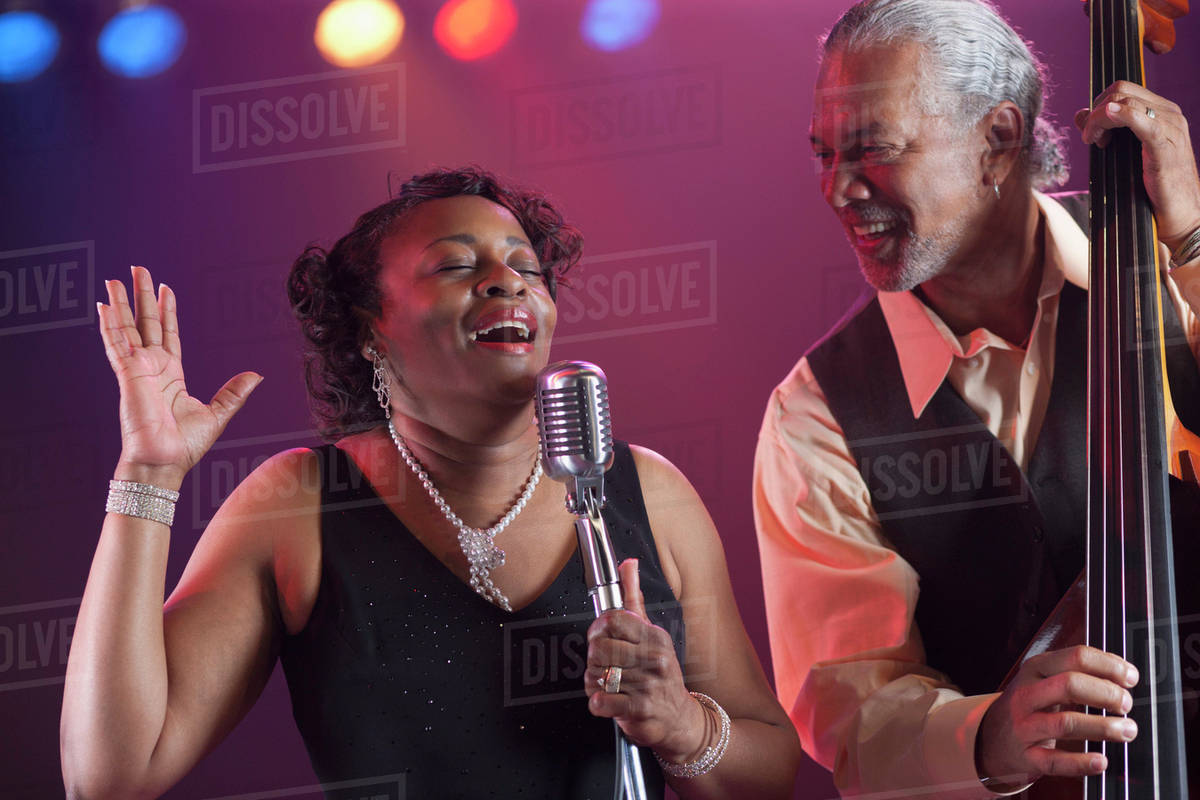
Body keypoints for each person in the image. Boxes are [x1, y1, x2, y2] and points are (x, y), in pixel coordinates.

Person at [61, 167, 801, 799]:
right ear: (370, 328)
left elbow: (770, 770)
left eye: (527, 268)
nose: (506, 281)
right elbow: (111, 774)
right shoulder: (295, 507)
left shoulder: (649, 493)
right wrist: (148, 475)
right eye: (454, 266)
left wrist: (683, 727)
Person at [753, 0, 1200, 797]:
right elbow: (856, 709)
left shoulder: (1172, 266)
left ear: (997, 139)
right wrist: (991, 735)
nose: (838, 188)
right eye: (824, 153)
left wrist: (1194, 245)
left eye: (873, 148)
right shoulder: (815, 414)